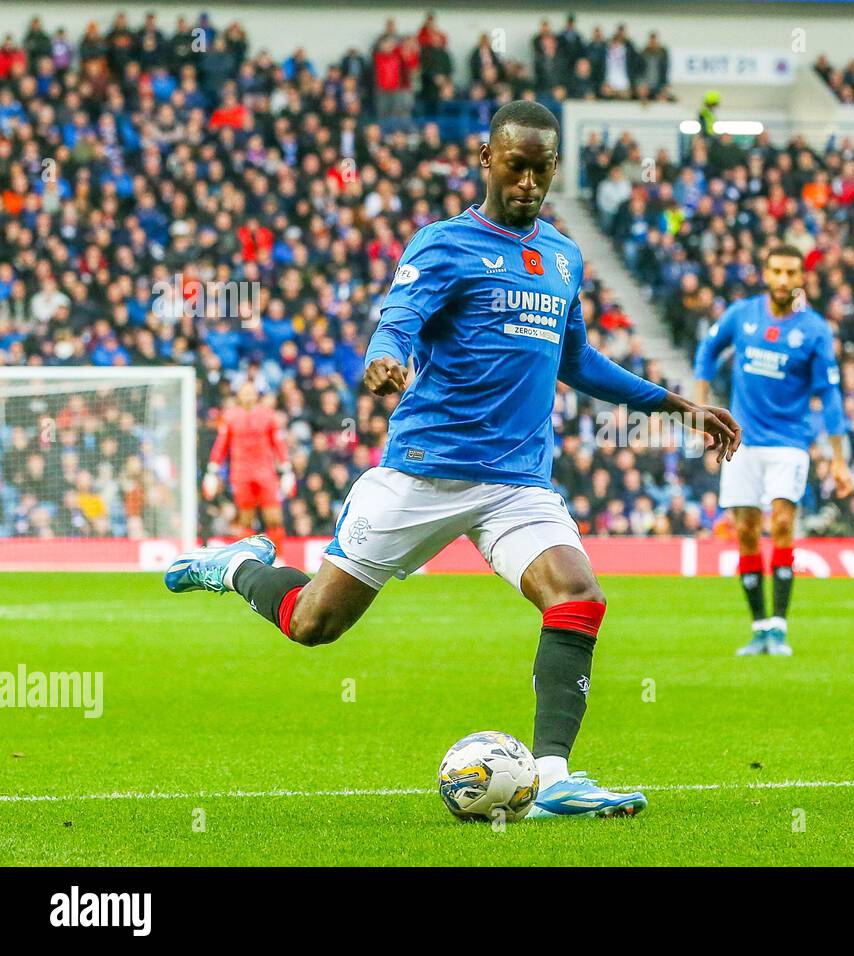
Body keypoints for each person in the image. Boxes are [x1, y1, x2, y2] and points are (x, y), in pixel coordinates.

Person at [166, 101, 741, 820]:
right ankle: (238, 566)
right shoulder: (443, 243)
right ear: (487, 160)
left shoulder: (563, 256)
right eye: (516, 165)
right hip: (423, 471)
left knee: (578, 596)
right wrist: (383, 363)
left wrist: (676, 406)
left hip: (516, 485)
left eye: (543, 168)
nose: (529, 181)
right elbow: (397, 324)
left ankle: (554, 777)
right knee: (314, 623)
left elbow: (577, 362)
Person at [693, 245, 851, 657]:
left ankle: (779, 627)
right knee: (745, 531)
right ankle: (759, 626)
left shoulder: (815, 330)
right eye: (777, 271)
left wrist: (838, 459)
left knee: (781, 523)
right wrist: (698, 410)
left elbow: (829, 395)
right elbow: (706, 353)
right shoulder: (742, 315)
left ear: (801, 278)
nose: (783, 279)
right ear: (766, 273)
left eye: (791, 272)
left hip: (790, 444)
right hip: (741, 441)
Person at [203, 380, 294, 553]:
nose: (248, 396)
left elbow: (278, 443)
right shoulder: (230, 416)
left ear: (256, 395)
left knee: (274, 518)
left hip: (266, 473)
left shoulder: (267, 415)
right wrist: (212, 471)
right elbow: (221, 445)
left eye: (251, 392)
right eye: (244, 392)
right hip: (241, 473)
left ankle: (279, 557)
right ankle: (246, 559)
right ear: (239, 395)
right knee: (245, 519)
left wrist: (286, 469)